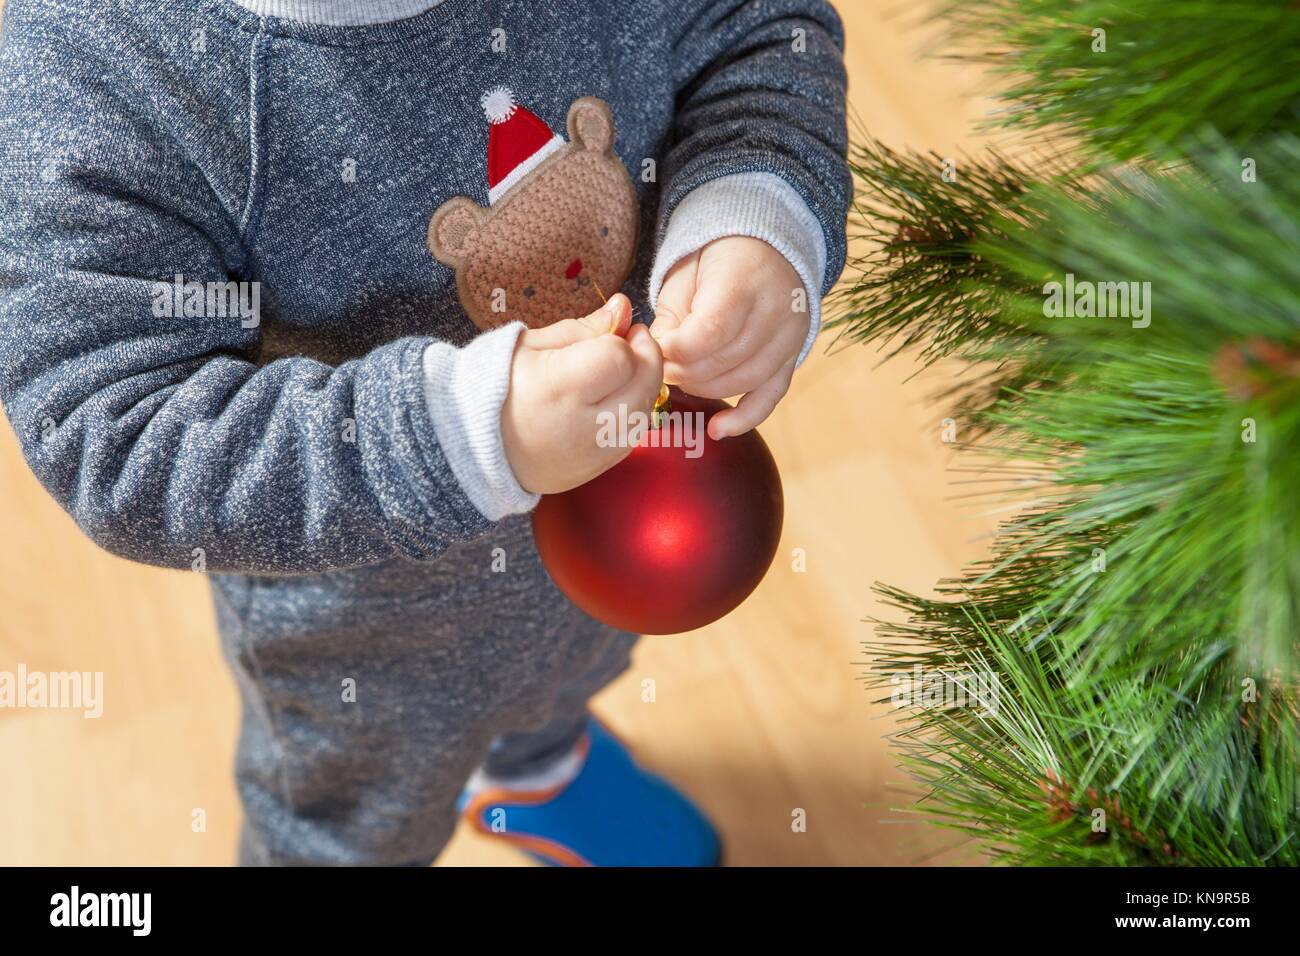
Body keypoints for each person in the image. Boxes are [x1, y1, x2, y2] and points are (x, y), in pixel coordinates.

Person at [0, 0, 850, 865]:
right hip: (360, 638)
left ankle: (536, 770)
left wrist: (753, 209)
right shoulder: (96, 64)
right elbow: (122, 429)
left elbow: (759, 31)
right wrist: (465, 434)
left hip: (618, 539)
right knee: (346, 831)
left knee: (567, 668)